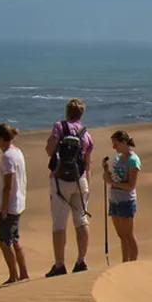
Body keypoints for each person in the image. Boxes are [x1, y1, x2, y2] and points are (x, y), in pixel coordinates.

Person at [44, 98, 94, 276]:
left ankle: (59, 264)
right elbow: (88, 163)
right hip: (80, 181)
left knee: (59, 223)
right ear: (81, 114)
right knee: (81, 221)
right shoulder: (86, 134)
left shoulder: (59, 127)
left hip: (60, 181)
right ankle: (81, 260)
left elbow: (49, 150)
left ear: (67, 111)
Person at [0, 122, 28, 284]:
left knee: (4, 241)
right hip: (18, 202)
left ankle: (14, 275)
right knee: (14, 239)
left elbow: (8, 185)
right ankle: (23, 273)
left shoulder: (7, 157)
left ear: (0, 138)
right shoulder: (17, 152)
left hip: (10, 205)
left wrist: (4, 208)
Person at [103, 129, 141, 262]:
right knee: (121, 235)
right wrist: (106, 170)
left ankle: (133, 264)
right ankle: (125, 262)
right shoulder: (118, 158)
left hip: (126, 201)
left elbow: (131, 185)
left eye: (116, 144)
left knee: (128, 235)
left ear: (124, 142)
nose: (114, 147)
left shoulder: (133, 160)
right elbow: (113, 178)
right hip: (114, 199)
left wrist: (112, 182)